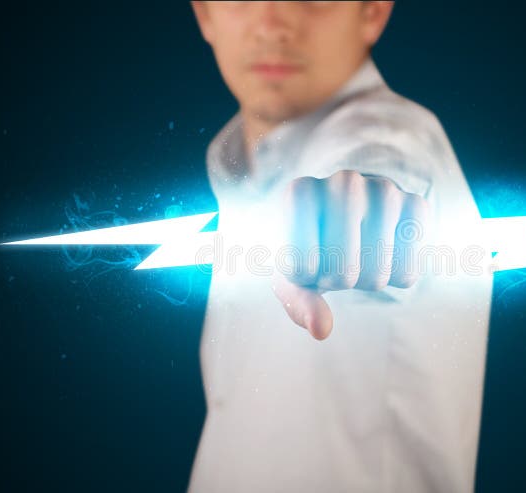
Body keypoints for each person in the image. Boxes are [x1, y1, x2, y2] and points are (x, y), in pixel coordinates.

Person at [188, 2, 493, 492]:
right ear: (205, 14)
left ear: (372, 12)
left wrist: (367, 197)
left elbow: (382, 164)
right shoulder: (247, 174)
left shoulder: (396, 138)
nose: (272, 23)